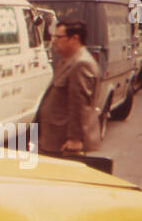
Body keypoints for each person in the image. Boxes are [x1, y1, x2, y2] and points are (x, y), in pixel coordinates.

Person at [37, 19, 101, 157]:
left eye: (58, 37)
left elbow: (79, 105)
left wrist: (75, 139)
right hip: (53, 139)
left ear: (74, 39)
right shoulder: (68, 61)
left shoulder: (81, 64)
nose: (53, 41)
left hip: (63, 144)